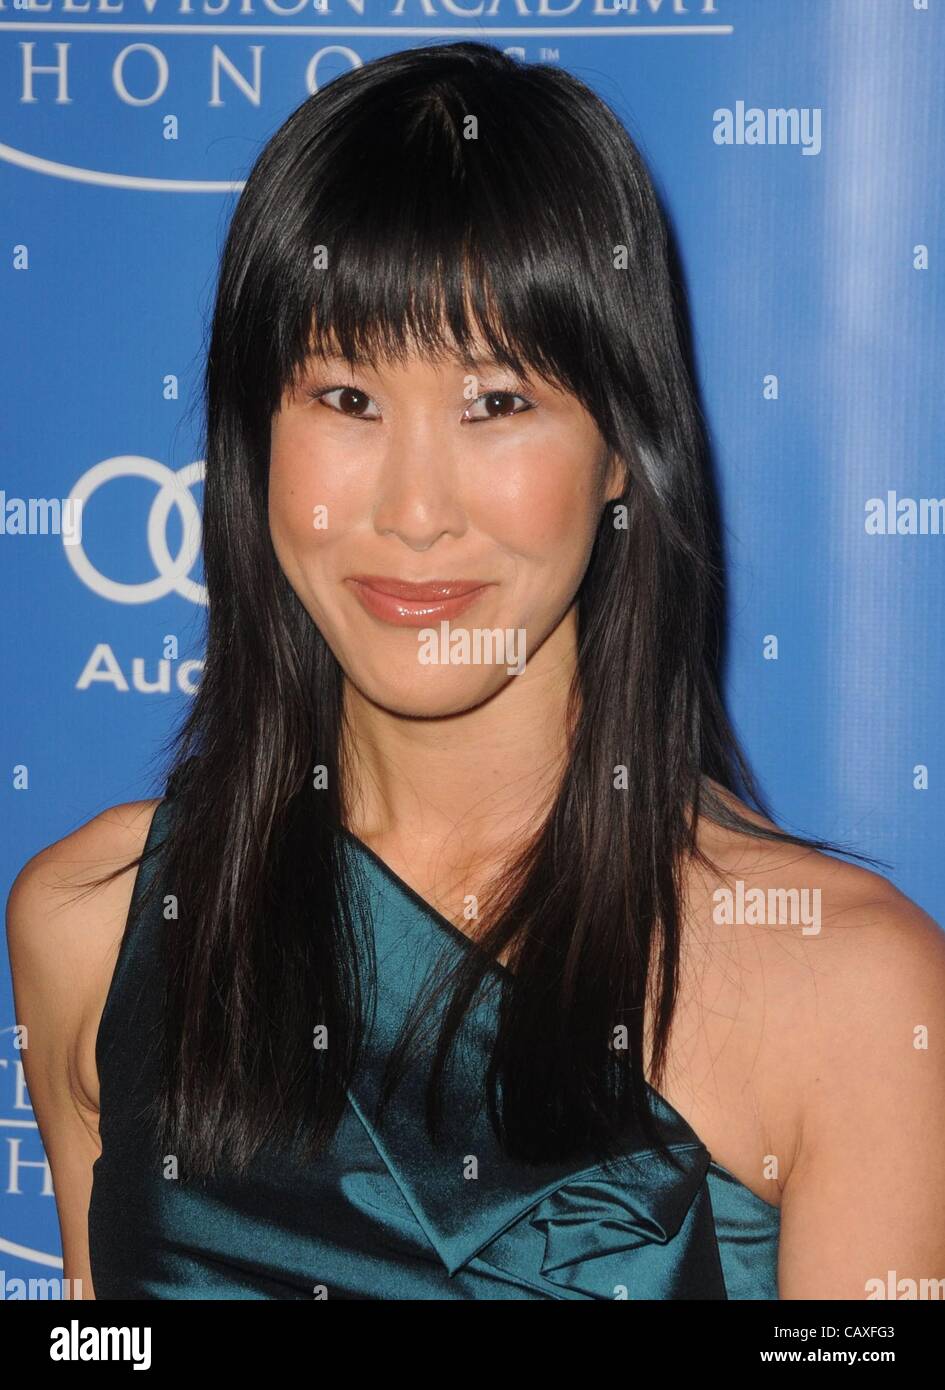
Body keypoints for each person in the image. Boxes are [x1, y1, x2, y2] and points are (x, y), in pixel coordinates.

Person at [7, 41, 945, 1302]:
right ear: (251, 441)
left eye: (496, 402)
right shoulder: (93, 922)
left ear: (625, 450)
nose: (413, 510)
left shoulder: (856, 992)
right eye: (344, 396)